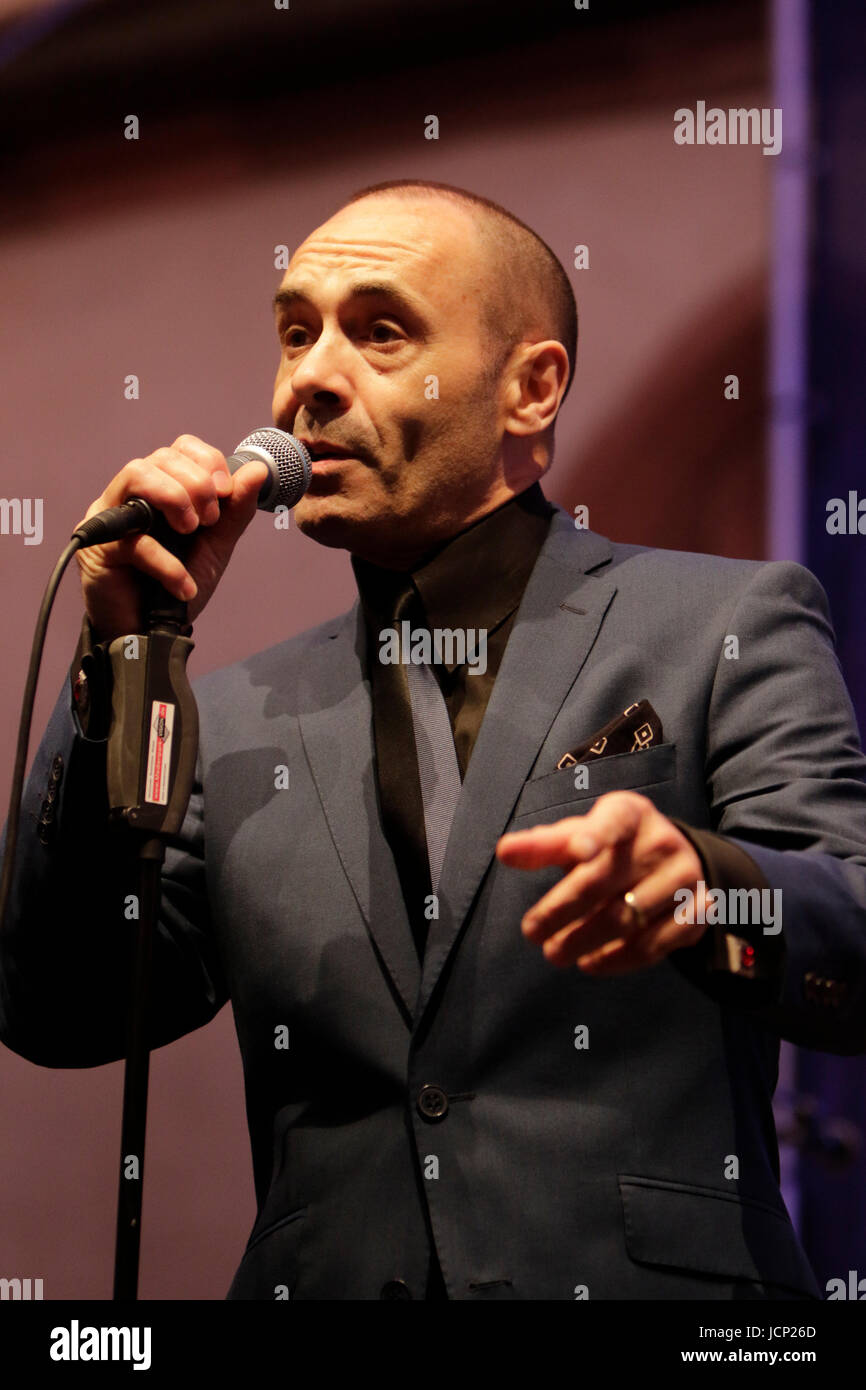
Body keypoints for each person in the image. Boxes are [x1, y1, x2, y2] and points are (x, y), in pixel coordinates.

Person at [2, 179, 865, 1301]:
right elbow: (55, 1009)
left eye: (379, 330)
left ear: (530, 388)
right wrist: (118, 663)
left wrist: (706, 890)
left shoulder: (718, 624)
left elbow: (850, 934)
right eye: (295, 331)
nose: (307, 377)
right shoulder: (233, 713)